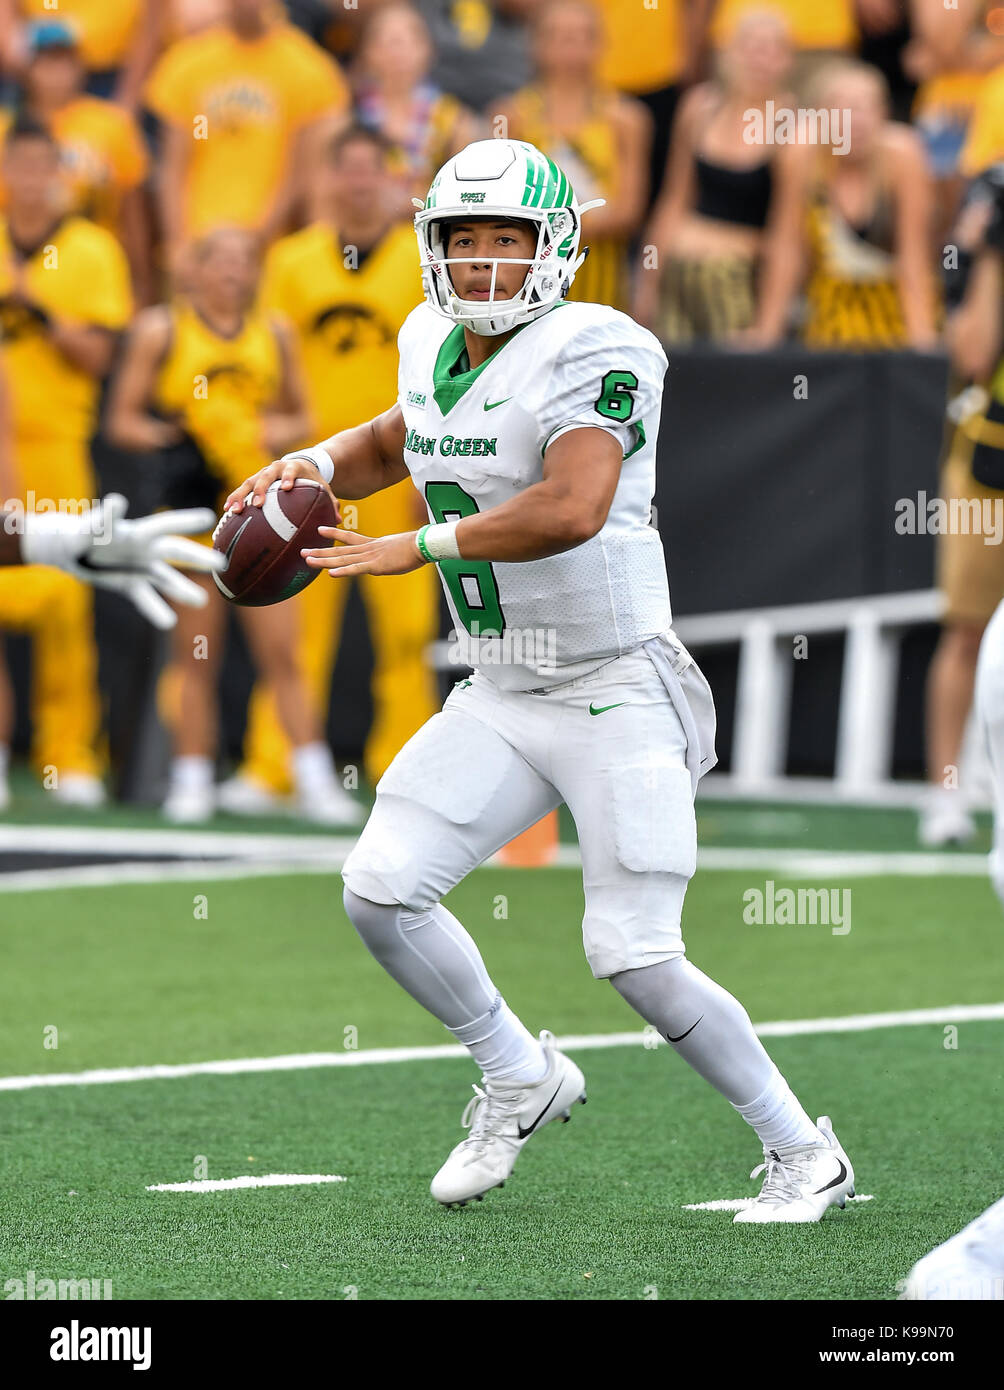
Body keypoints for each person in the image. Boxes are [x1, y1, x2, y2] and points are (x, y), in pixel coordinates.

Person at [225, 137, 856, 1220]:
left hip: (614, 684)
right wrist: (318, 464)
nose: (478, 263)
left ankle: (803, 1152)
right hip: (505, 686)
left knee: (633, 954)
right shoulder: (429, 334)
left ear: (552, 246)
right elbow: (402, 436)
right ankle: (517, 1071)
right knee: (379, 890)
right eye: (460, 240)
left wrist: (415, 549)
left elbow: (570, 505)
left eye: (502, 241)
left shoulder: (596, 342)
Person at [106, 225, 356, 825]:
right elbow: (122, 419)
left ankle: (313, 778)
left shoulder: (274, 332)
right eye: (217, 260)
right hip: (192, 513)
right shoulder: (162, 329)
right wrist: (181, 437)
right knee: (195, 654)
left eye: (243, 262)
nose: (231, 273)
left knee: (285, 655)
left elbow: (304, 416)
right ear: (193, 268)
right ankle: (191, 779)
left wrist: (262, 433)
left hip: (263, 516)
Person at [221, 125, 437, 815]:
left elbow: (437, 367)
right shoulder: (292, 259)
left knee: (405, 630)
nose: (357, 183)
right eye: (344, 170)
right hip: (310, 474)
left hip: (395, 464)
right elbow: (265, 360)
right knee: (294, 622)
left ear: (391, 177)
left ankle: (403, 771)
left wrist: (428, 468)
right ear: (327, 178)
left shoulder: (419, 260)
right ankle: (275, 763)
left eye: (371, 169)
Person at [0, 116, 132, 808]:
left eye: (38, 164)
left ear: (58, 171)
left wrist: (37, 310)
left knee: (64, 602)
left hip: (54, 443)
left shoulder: (88, 249)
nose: (26, 177)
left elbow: (99, 357)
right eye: (14, 162)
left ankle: (68, 751)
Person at [633, 8, 808, 345]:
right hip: (678, 279)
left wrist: (768, 326)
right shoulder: (699, 108)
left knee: (731, 390)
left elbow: (787, 237)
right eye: (752, 47)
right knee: (672, 390)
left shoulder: (794, 132)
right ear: (729, 52)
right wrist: (647, 287)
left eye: (774, 50)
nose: (761, 60)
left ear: (789, 61)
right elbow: (673, 202)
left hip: (737, 287)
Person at [922, 162, 1004, 844]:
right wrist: (992, 255)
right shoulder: (991, 210)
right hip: (991, 453)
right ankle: (946, 793)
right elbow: (973, 352)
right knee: (967, 631)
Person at [143, 0, 349, 268]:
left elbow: (300, 174)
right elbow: (175, 166)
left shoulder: (308, 68)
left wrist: (259, 237)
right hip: (200, 237)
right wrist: (178, 242)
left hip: (272, 244)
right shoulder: (189, 63)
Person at [496, 0, 651, 313]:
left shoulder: (626, 118)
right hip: (530, 283)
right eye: (559, 36)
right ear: (536, 44)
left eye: (582, 37)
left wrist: (553, 226)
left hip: (604, 280)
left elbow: (629, 211)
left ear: (601, 44)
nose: (570, 48)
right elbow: (502, 203)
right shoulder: (512, 115)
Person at [0, 20, 152, 302]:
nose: (56, 74)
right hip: (23, 265)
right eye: (47, 62)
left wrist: (141, 279)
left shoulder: (111, 125)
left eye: (65, 62)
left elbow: (133, 209)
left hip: (97, 265)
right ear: (29, 69)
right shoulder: (7, 129)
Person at [801, 60, 937, 349]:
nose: (856, 120)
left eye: (865, 108)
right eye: (844, 109)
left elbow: (915, 256)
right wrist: (766, 333)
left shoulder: (903, 155)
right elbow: (786, 248)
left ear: (883, 114)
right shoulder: (803, 158)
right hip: (832, 313)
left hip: (893, 312)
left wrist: (922, 344)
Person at [351, 3, 477, 221]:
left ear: (428, 50)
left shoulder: (454, 120)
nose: (398, 52)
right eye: (388, 42)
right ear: (368, 52)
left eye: (409, 40)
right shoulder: (348, 116)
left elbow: (467, 195)